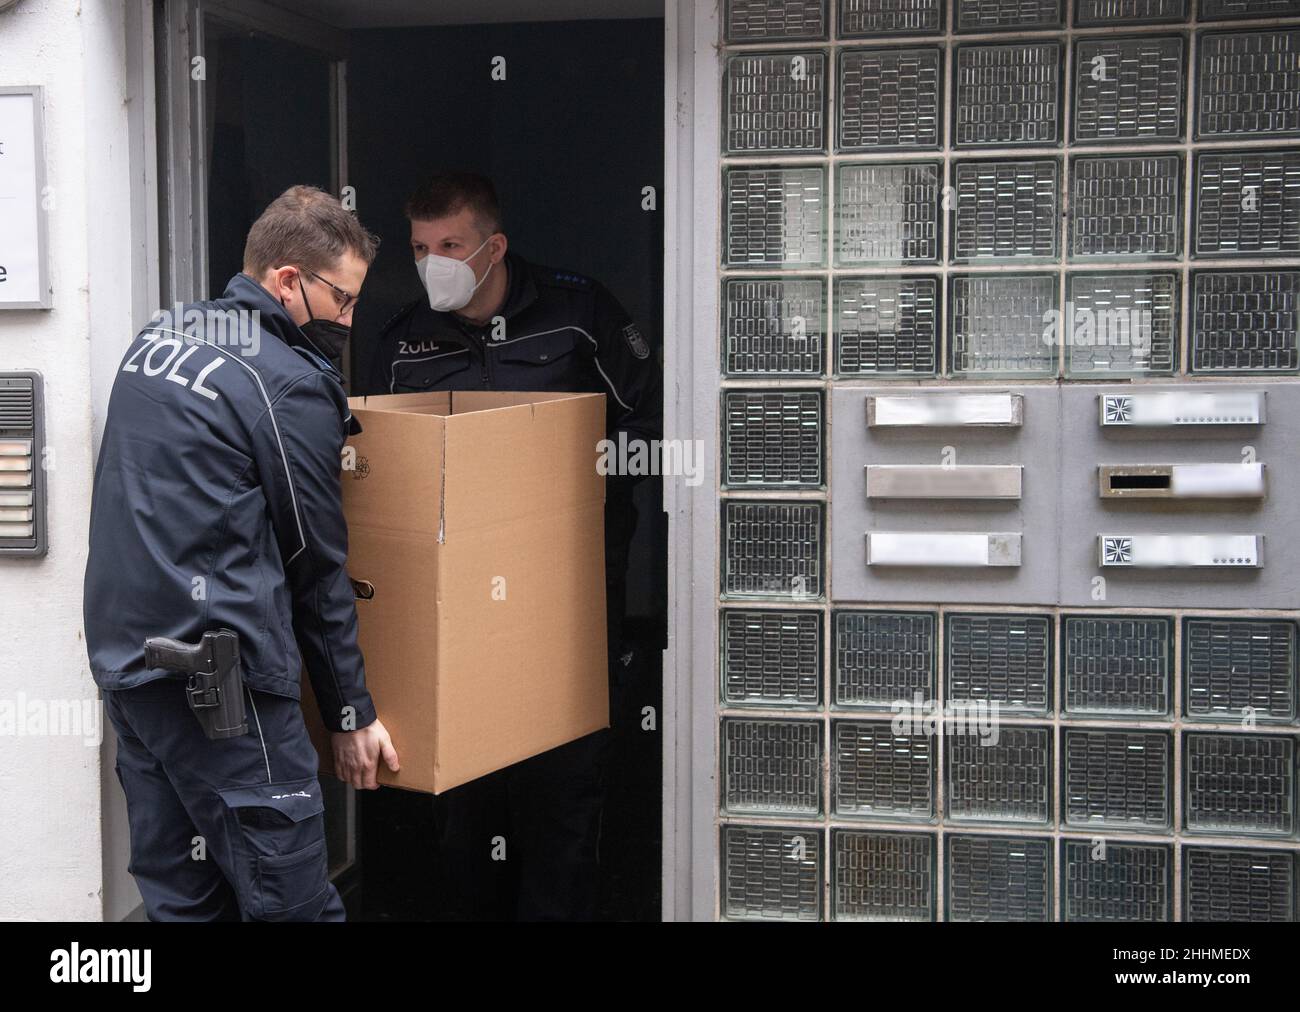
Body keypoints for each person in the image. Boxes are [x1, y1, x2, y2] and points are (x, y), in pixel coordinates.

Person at [84, 185, 399, 921]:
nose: (349, 321)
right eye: (343, 300)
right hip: (223, 693)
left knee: (183, 902)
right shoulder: (286, 385)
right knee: (293, 907)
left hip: (132, 670)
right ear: (287, 280)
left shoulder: (161, 333)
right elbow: (316, 565)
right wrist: (351, 713)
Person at [360, 172, 662, 920]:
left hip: (566, 598)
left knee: (565, 795)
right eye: (421, 247)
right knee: (465, 806)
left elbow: (651, 433)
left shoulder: (579, 313)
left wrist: (563, 487)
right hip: (457, 608)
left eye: (451, 245)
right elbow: (373, 459)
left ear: (493, 248)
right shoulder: (404, 341)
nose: (434, 261)